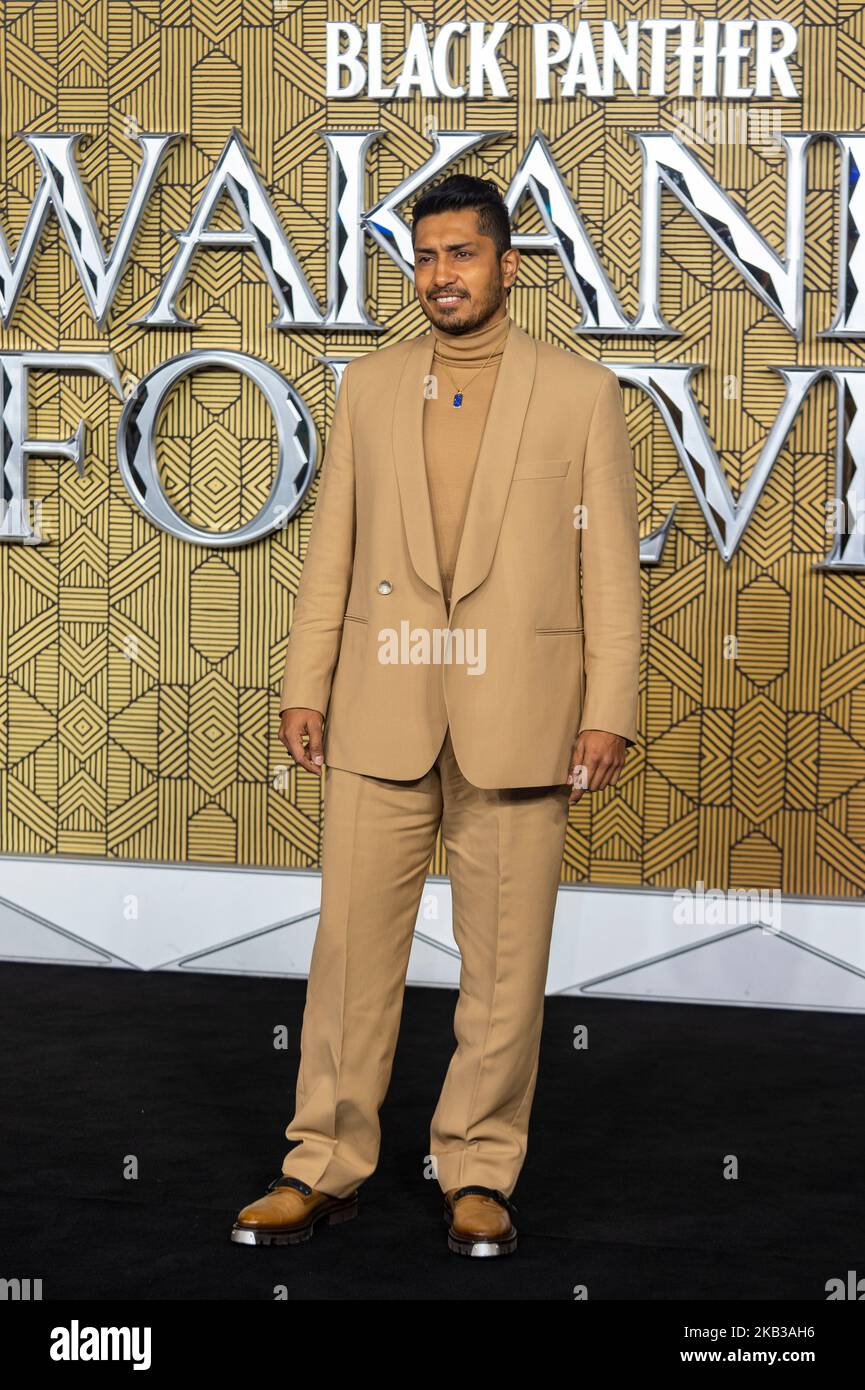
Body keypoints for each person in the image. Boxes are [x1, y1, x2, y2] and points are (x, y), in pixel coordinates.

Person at [231, 173, 642, 1257]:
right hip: (379, 707)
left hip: (522, 716)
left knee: (505, 969)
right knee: (348, 958)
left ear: (508, 266)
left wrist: (609, 709)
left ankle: (478, 1172)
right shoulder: (365, 387)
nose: (440, 275)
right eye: (424, 257)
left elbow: (608, 576)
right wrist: (304, 682)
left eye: (460, 254)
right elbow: (333, 555)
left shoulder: (580, 394)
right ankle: (321, 1166)